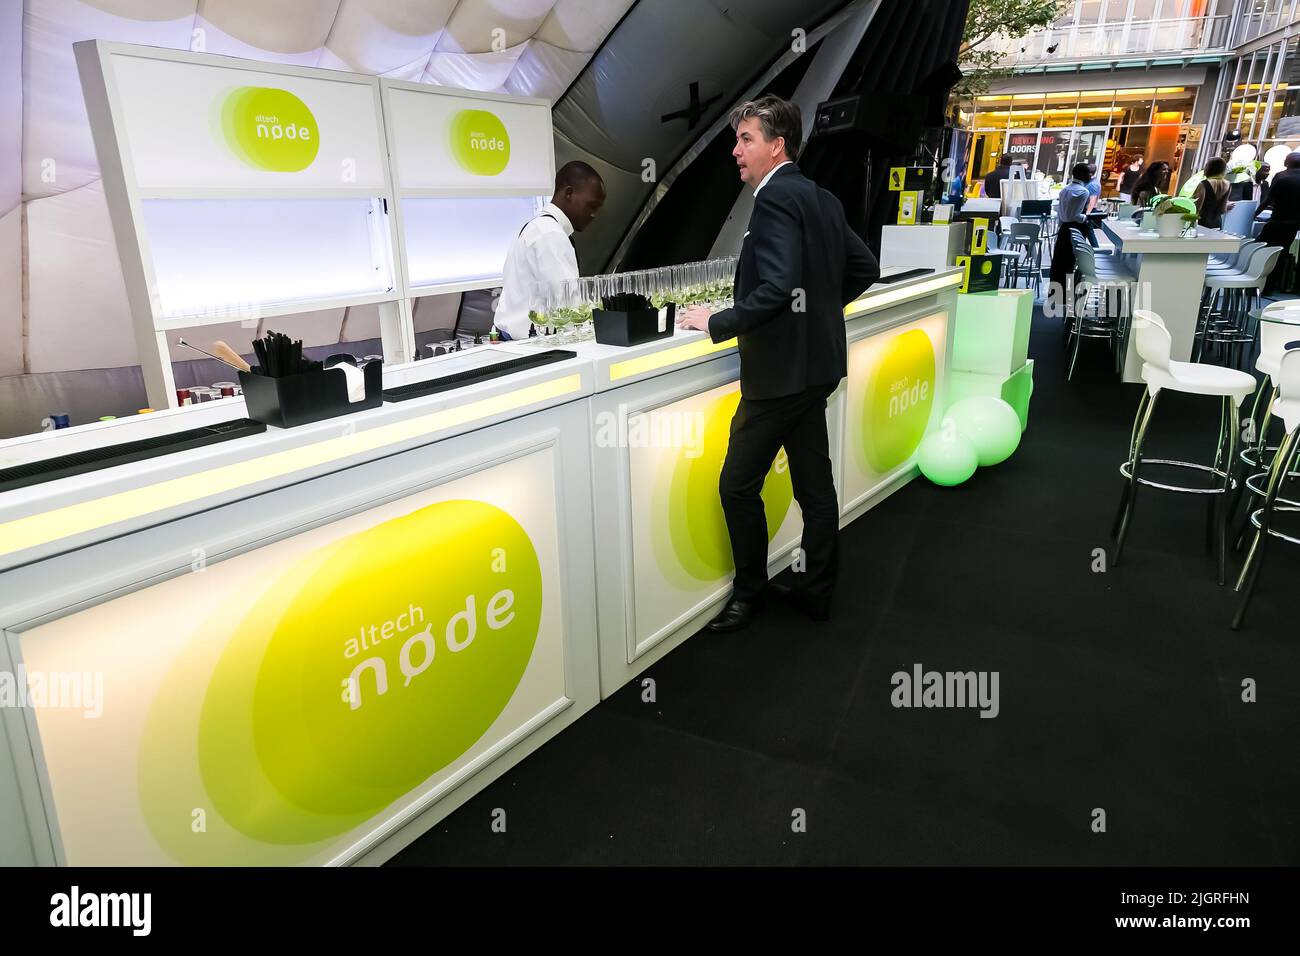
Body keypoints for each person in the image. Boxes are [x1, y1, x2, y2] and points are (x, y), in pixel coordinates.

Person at [676, 95, 880, 632]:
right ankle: (815, 591)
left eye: (745, 140)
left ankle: (749, 594)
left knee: (737, 486)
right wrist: (815, 313)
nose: (736, 152)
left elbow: (776, 286)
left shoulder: (772, 200)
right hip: (818, 369)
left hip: (780, 376)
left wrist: (717, 321)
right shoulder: (822, 197)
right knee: (815, 484)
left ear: (776, 145)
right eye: (736, 141)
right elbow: (865, 267)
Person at [493, 161, 605, 340]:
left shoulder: (534, 226)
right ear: (569, 193)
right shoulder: (551, 234)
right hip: (531, 346)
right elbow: (568, 306)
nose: (594, 215)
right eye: (592, 205)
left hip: (512, 340)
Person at [1048, 163, 1094, 313]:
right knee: (1069, 262)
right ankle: (1068, 296)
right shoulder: (1083, 192)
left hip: (1063, 229)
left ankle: (1055, 294)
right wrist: (1085, 217)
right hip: (1074, 227)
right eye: (1088, 173)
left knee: (1059, 261)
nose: (1090, 176)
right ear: (1082, 175)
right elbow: (1074, 215)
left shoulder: (1065, 190)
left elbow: (1063, 214)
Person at [1258, 152, 1300, 295]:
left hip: (1277, 221)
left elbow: (1268, 199)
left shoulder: (1281, 176)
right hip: (1293, 224)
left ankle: (1258, 285)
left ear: (1287, 162)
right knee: (1281, 254)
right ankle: (1270, 287)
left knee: (1263, 250)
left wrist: (1254, 214)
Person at [1193, 157, 1233, 229]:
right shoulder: (1228, 185)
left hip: (1202, 223)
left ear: (1209, 168)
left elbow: (1196, 208)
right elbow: (1223, 210)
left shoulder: (1203, 184)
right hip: (1217, 223)